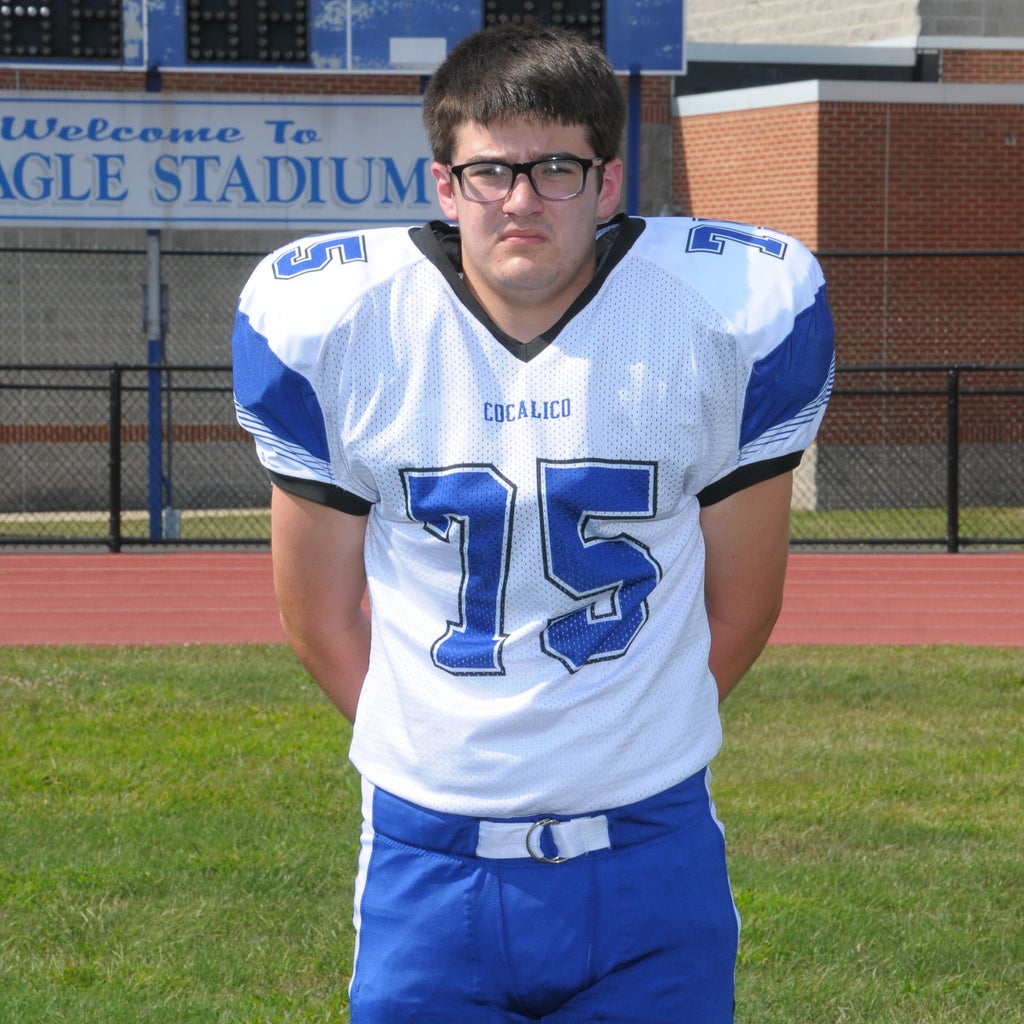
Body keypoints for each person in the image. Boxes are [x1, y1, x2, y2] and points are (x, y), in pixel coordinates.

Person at [232, 21, 834, 1023]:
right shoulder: (340, 325)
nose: (519, 199)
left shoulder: (720, 314)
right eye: (490, 171)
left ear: (606, 185)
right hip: (430, 861)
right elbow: (321, 619)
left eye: (556, 167)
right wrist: (448, 745)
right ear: (443, 185)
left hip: (650, 849)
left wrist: (620, 737)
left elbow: (742, 607)